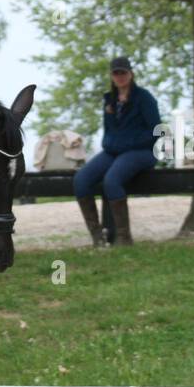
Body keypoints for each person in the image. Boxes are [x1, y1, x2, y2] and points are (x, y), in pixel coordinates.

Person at [74, 56, 160, 247]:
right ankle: (98, 238)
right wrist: (110, 144)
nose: (120, 76)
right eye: (116, 73)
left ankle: (124, 238)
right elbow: (109, 131)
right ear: (111, 76)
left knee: (112, 181)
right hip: (114, 152)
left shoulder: (144, 98)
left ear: (131, 74)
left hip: (142, 152)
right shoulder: (109, 100)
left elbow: (156, 131)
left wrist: (127, 144)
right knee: (81, 180)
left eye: (123, 72)